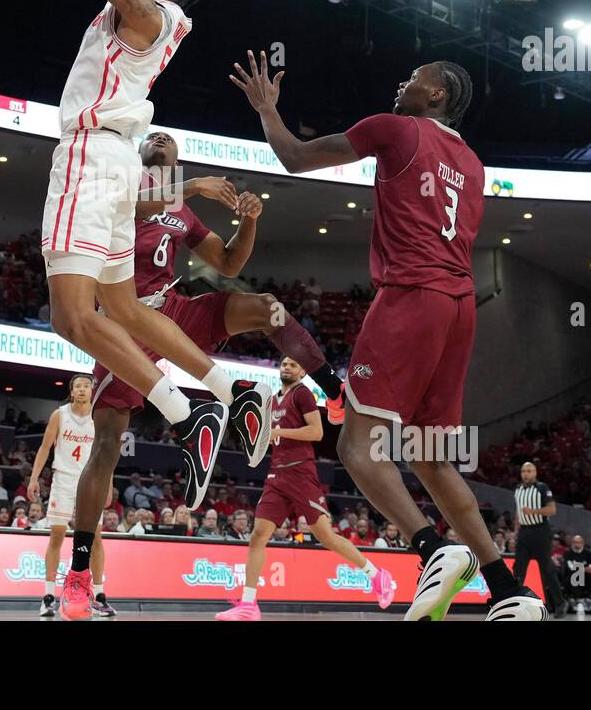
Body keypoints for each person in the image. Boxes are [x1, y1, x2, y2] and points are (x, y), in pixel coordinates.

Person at [43, 0, 271, 622]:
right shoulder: (157, 14)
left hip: (91, 154)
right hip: (115, 163)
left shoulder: (143, 14)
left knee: (72, 316)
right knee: (126, 309)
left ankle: (186, 408)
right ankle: (220, 386)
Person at [232, 49, 545, 621]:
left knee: (356, 447)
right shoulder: (473, 163)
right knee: (431, 457)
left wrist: (267, 110)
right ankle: (507, 588)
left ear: (437, 96)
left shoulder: (395, 129)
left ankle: (432, 551)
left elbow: (296, 157)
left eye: (414, 78)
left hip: (411, 296)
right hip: (459, 306)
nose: (403, 82)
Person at [90, 129, 352, 476]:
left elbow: (229, 264)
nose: (160, 137)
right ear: (136, 151)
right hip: (123, 319)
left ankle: (335, 392)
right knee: (108, 439)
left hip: (169, 311)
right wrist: (194, 184)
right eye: (153, 136)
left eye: (168, 138)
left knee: (267, 308)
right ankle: (84, 531)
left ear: (178, 161)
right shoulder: (121, 180)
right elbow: (129, 207)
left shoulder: (182, 210)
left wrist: (250, 221)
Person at [218, 357, 393, 620]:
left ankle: (376, 575)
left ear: (301, 371)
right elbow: (271, 435)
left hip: (300, 472)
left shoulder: (303, 394)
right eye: (283, 364)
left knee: (325, 536)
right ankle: (248, 604)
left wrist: (281, 433)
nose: (286, 367)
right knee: (257, 536)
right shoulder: (273, 400)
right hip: (277, 475)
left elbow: (316, 432)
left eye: (292, 365)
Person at [28, 376, 113, 618]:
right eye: (78, 386)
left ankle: (99, 596)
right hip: (63, 478)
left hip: (91, 480)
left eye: (87, 386)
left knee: (96, 537)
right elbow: (45, 447)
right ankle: (48, 597)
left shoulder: (99, 417)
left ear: (92, 390)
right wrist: (34, 478)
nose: (83, 389)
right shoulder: (60, 415)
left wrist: (108, 485)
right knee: (57, 535)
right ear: (72, 391)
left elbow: (107, 455)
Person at [513, 462, 565, 616]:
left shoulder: (542, 488)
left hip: (540, 532)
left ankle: (560, 604)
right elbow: (518, 511)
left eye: (529, 471)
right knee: (519, 569)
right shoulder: (517, 489)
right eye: (523, 471)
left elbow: (552, 509)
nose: (526, 474)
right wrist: (516, 530)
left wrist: (533, 511)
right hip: (524, 531)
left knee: (547, 570)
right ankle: (515, 602)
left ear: (535, 473)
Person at [560, 534, 591, 614]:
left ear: (583, 543)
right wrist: (584, 569)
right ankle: (579, 602)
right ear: (572, 543)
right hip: (572, 577)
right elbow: (570, 568)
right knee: (576, 575)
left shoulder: (589, 554)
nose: (577, 544)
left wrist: (588, 570)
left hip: (587, 577)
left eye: (579, 542)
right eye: (575, 542)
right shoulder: (568, 554)